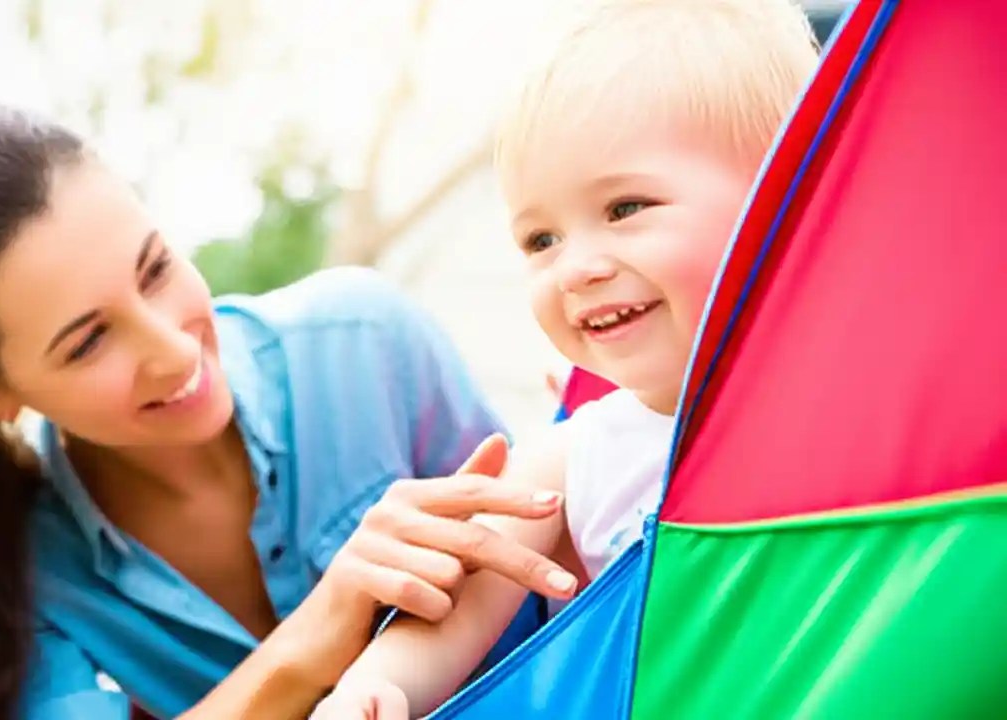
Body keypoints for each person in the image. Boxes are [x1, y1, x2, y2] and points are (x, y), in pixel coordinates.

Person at [0, 99, 583, 720]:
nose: (173, 350)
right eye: (89, 341)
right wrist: (316, 637)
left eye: (155, 268)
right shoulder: (17, 577)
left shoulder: (366, 346)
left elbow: (560, 589)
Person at [313, 0, 820, 716]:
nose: (575, 268)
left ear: (786, 196)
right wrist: (375, 686)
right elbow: (449, 620)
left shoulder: (858, 397)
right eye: (540, 241)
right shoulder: (574, 458)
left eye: (624, 209)